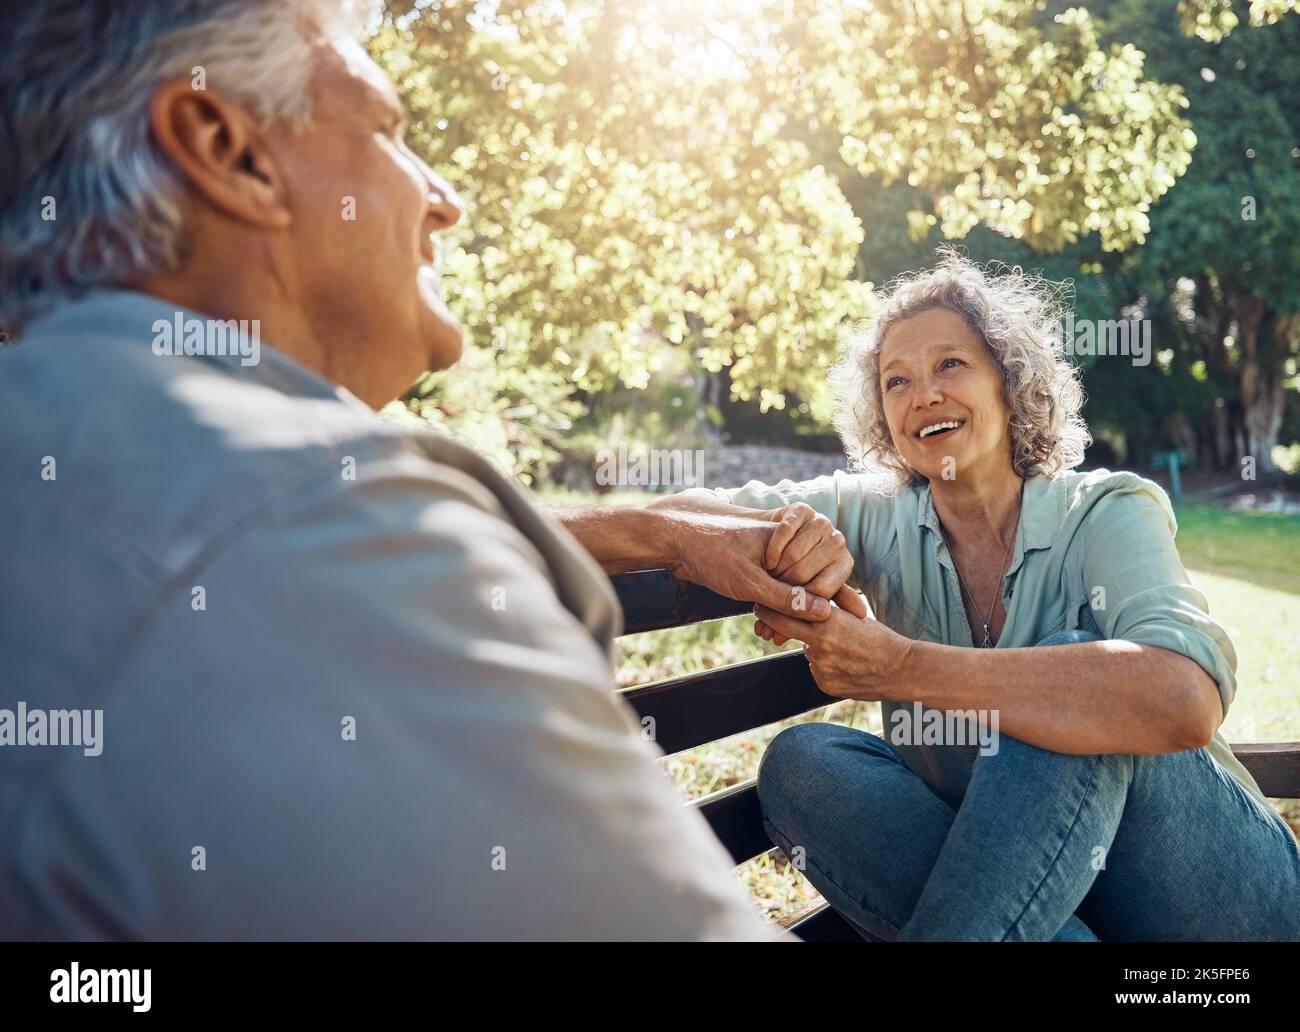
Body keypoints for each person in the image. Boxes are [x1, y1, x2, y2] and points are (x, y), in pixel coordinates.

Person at [0, 0, 818, 940]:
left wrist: (653, 530)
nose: (443, 197)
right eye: (386, 129)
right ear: (226, 151)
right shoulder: (333, 528)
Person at [593, 251, 1299, 941]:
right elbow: (692, 513)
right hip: (1026, 896)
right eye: (895, 382)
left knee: (1067, 683)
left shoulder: (1108, 510)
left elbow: (1184, 700)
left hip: (1216, 902)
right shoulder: (875, 514)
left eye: (950, 365)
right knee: (806, 764)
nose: (922, 394)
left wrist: (899, 667)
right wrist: (688, 539)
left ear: (1009, 382)